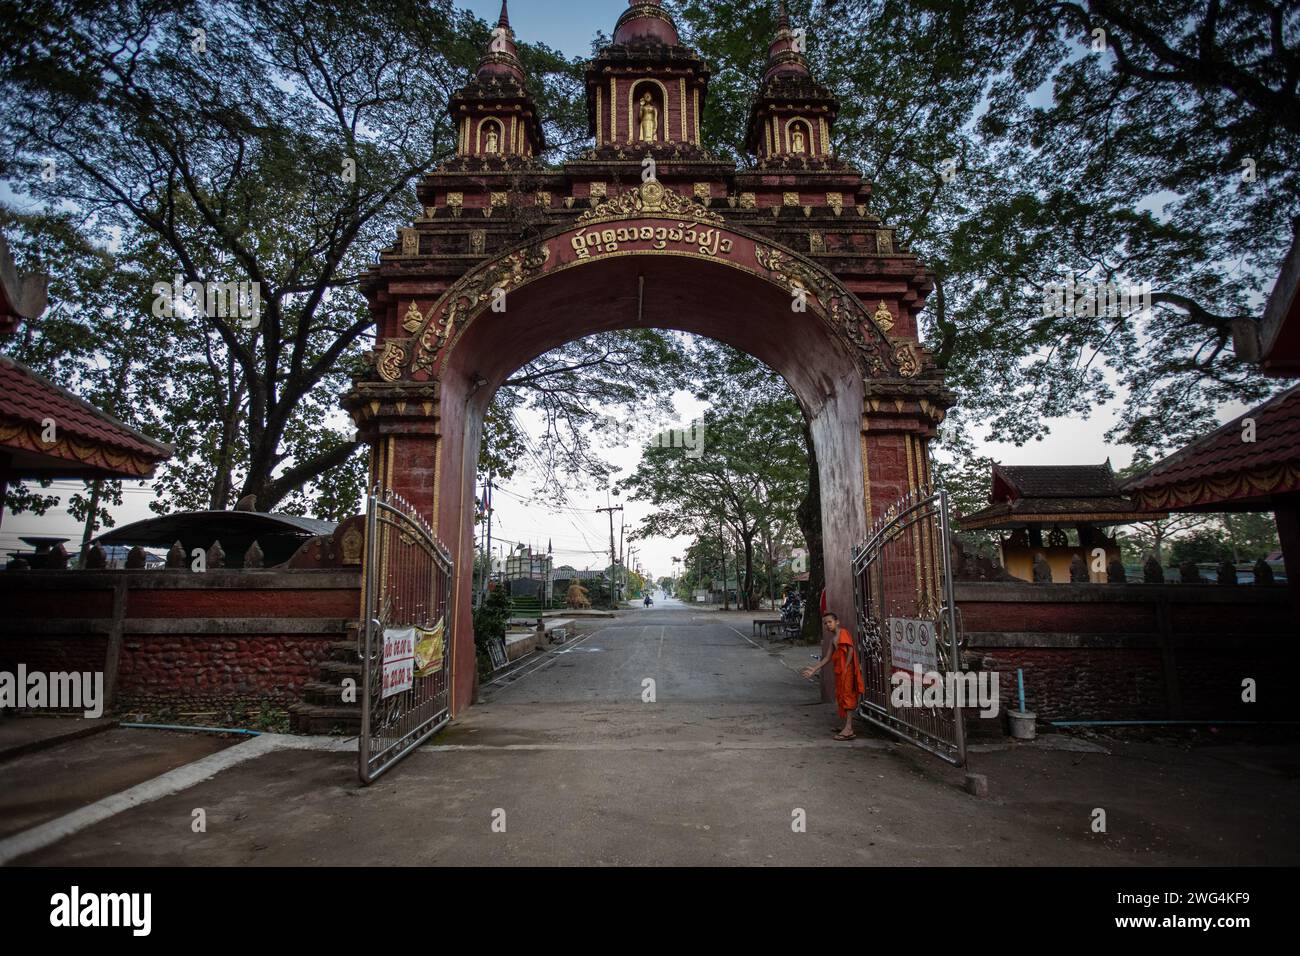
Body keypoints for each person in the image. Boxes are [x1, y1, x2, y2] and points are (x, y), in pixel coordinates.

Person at [802, 611, 865, 740]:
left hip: (846, 671)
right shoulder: (832, 639)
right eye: (825, 623)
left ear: (837, 622)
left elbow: (850, 650)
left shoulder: (844, 633)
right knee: (842, 696)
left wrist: (846, 667)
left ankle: (849, 729)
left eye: (830, 622)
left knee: (847, 697)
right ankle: (846, 725)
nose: (828, 625)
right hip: (840, 671)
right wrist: (814, 669)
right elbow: (827, 658)